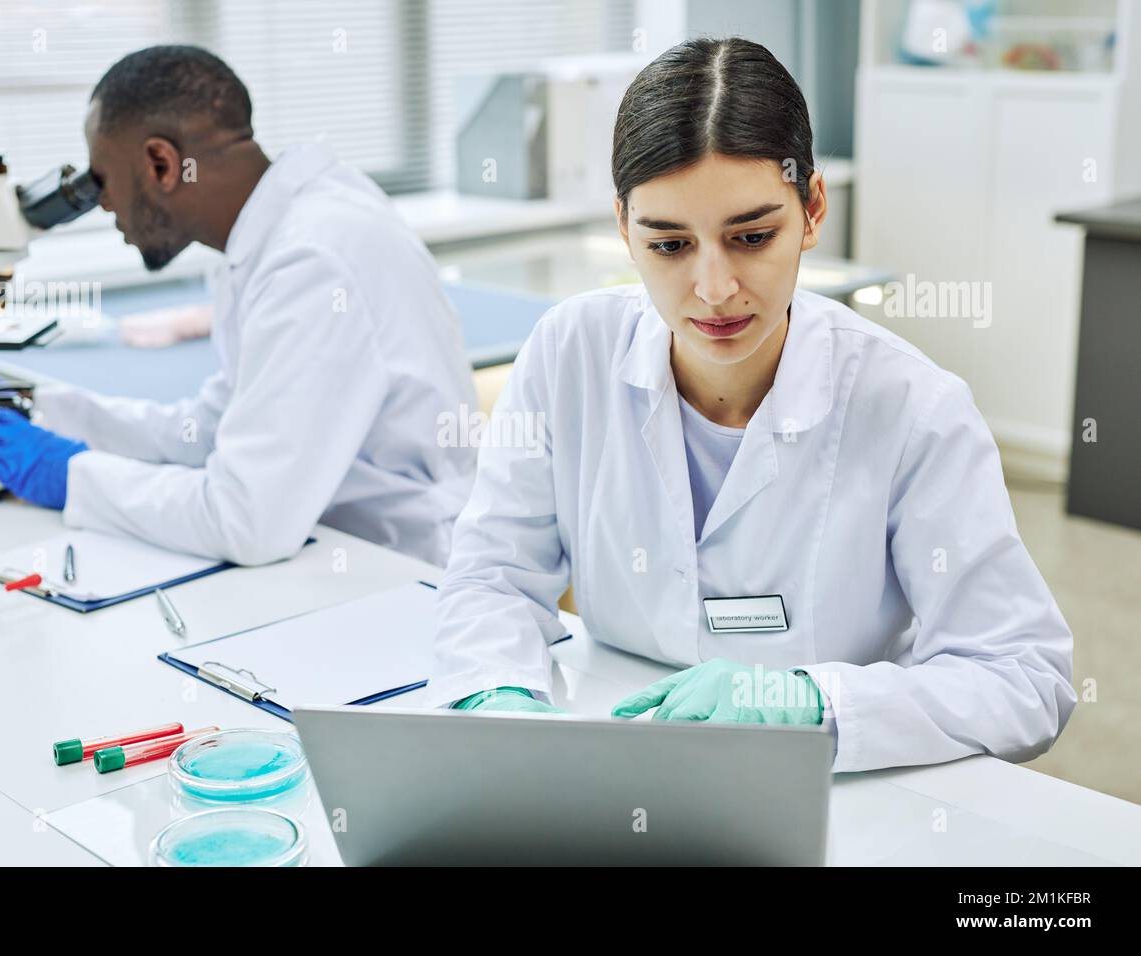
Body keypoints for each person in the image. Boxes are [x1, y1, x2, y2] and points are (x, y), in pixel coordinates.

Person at [426, 37, 1075, 773]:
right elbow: (492, 576)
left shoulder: (913, 408)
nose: (713, 289)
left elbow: (1026, 678)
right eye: (669, 245)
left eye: (752, 236)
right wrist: (497, 698)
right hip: (615, 758)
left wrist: (810, 705)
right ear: (622, 230)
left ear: (813, 209)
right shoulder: (567, 353)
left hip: (827, 783)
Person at [0, 45, 477, 567]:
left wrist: (69, 475)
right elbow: (212, 428)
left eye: (102, 181)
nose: (102, 204)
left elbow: (246, 520)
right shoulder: (271, 233)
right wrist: (59, 412)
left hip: (403, 574)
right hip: (338, 551)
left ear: (162, 164)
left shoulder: (310, 260)